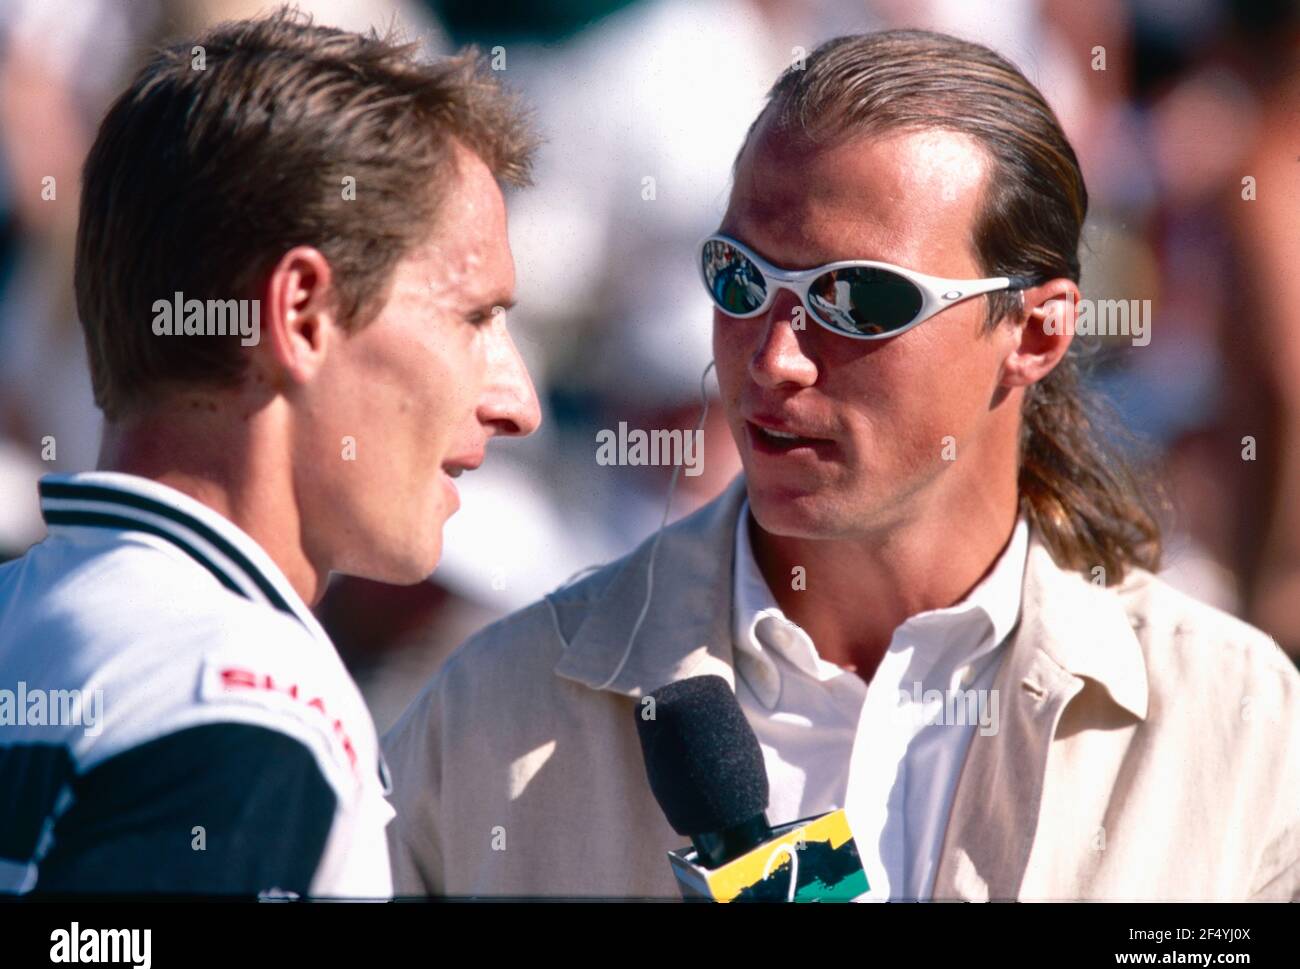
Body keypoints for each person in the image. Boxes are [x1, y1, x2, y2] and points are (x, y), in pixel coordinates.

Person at [382, 30, 1300, 901]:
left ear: (1037, 331)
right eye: (740, 279)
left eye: (856, 297)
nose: (775, 357)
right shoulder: (494, 713)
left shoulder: (1236, 726)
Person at [0, 7, 540, 896]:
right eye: (474, 316)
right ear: (300, 315)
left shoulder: (49, 627)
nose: (517, 402)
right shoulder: (243, 697)